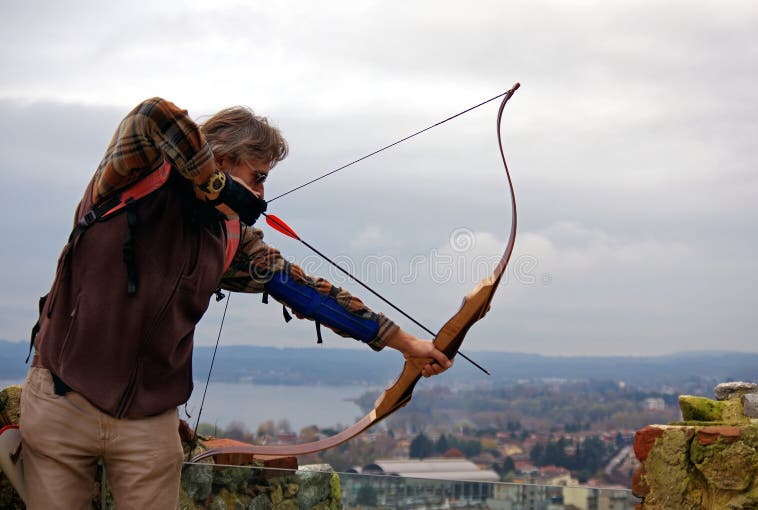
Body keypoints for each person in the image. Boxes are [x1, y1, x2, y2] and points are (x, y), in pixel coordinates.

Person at [20, 97, 452, 509]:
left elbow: (304, 292)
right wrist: (211, 182)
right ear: (223, 160)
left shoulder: (229, 237)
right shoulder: (134, 176)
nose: (262, 191)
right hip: (63, 396)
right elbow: (152, 115)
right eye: (258, 175)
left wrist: (403, 343)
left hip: (147, 420)